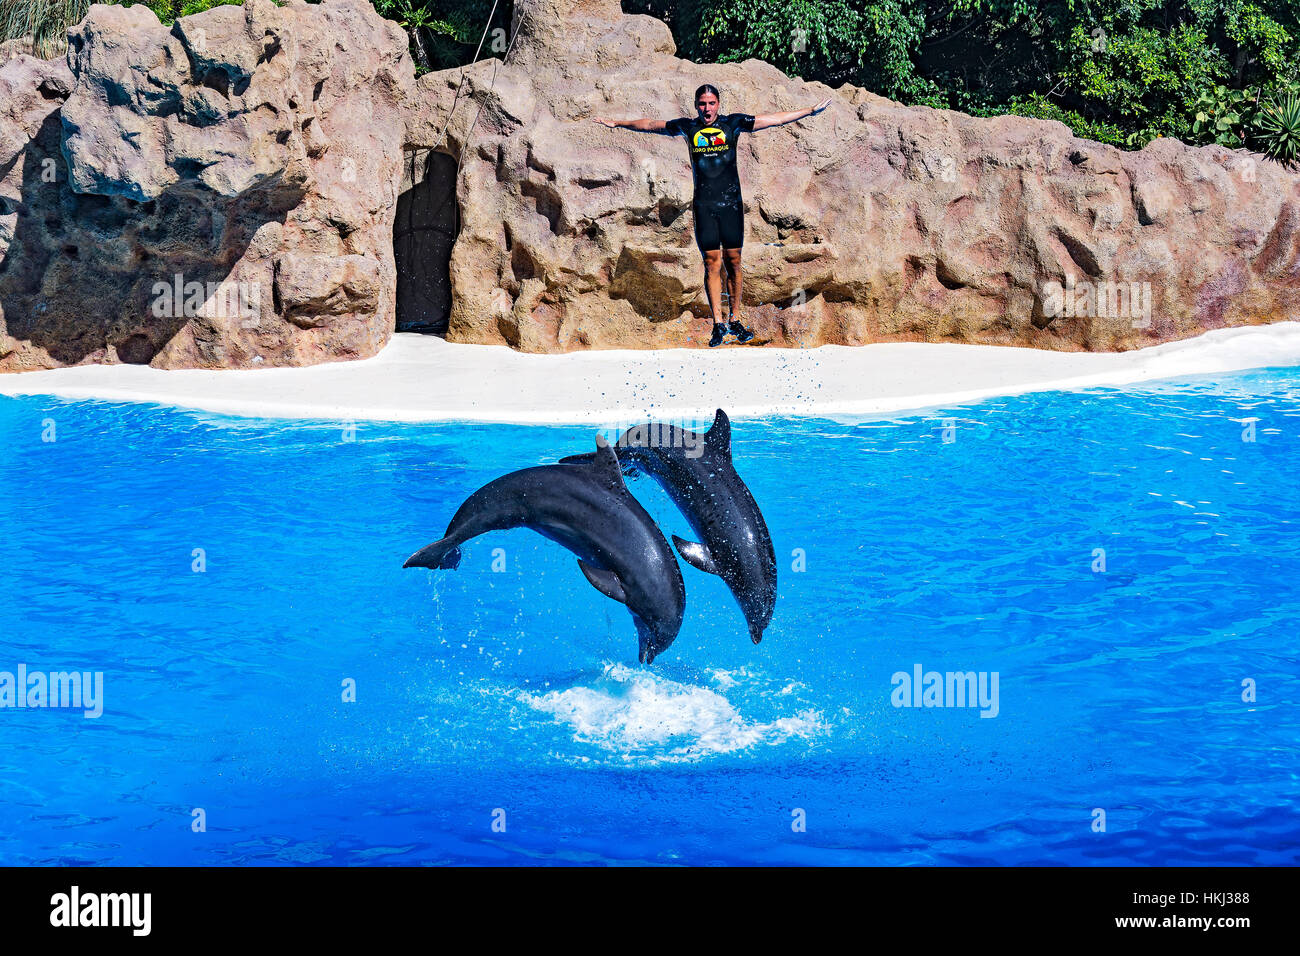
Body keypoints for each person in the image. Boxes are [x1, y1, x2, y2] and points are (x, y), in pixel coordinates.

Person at [595, 85, 831, 346]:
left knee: (734, 261)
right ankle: (718, 324)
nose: (707, 109)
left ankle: (736, 319)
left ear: (719, 104)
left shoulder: (734, 124)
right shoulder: (688, 127)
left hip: (731, 205)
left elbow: (772, 120)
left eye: (711, 103)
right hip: (704, 206)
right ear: (696, 105)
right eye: (702, 104)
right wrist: (618, 122)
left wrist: (808, 111)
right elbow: (651, 123)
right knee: (711, 262)